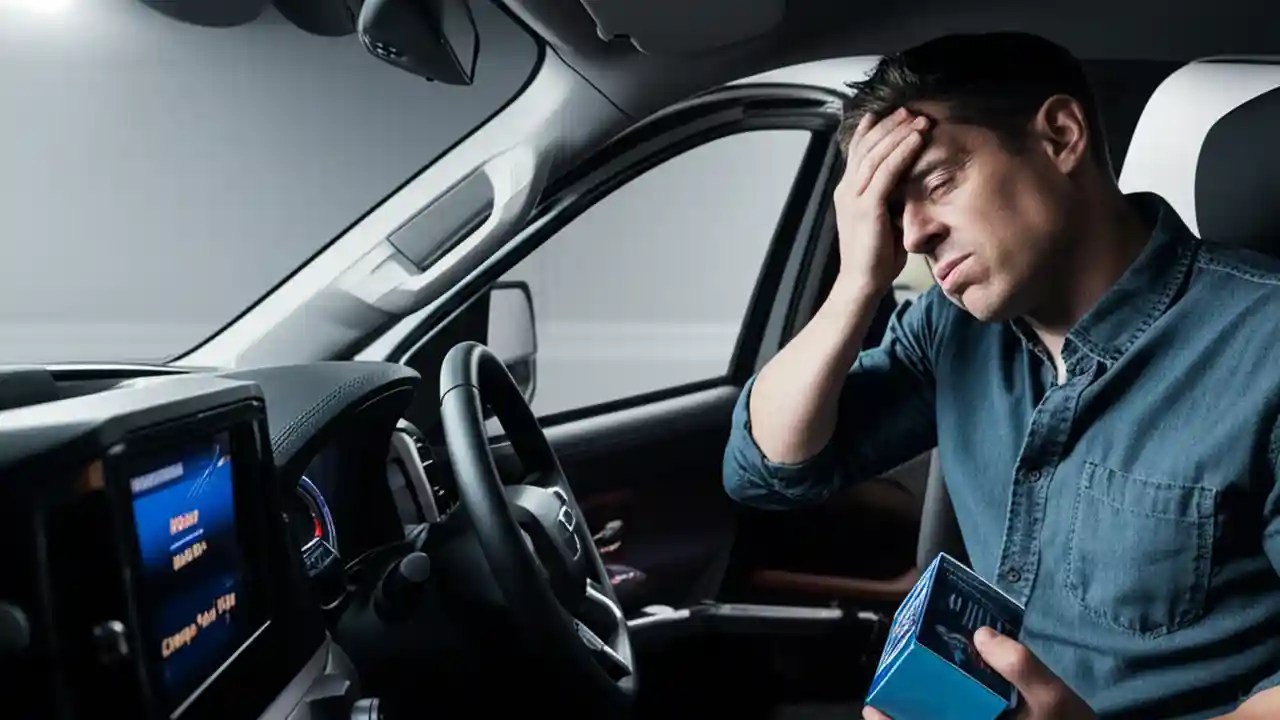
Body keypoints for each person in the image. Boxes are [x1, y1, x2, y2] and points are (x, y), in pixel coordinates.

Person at [721, 32, 1280, 720]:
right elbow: (770, 468)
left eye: (937, 183)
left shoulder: (1265, 347)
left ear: (1060, 135)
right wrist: (858, 281)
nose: (915, 235)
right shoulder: (951, 331)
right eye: (891, 215)